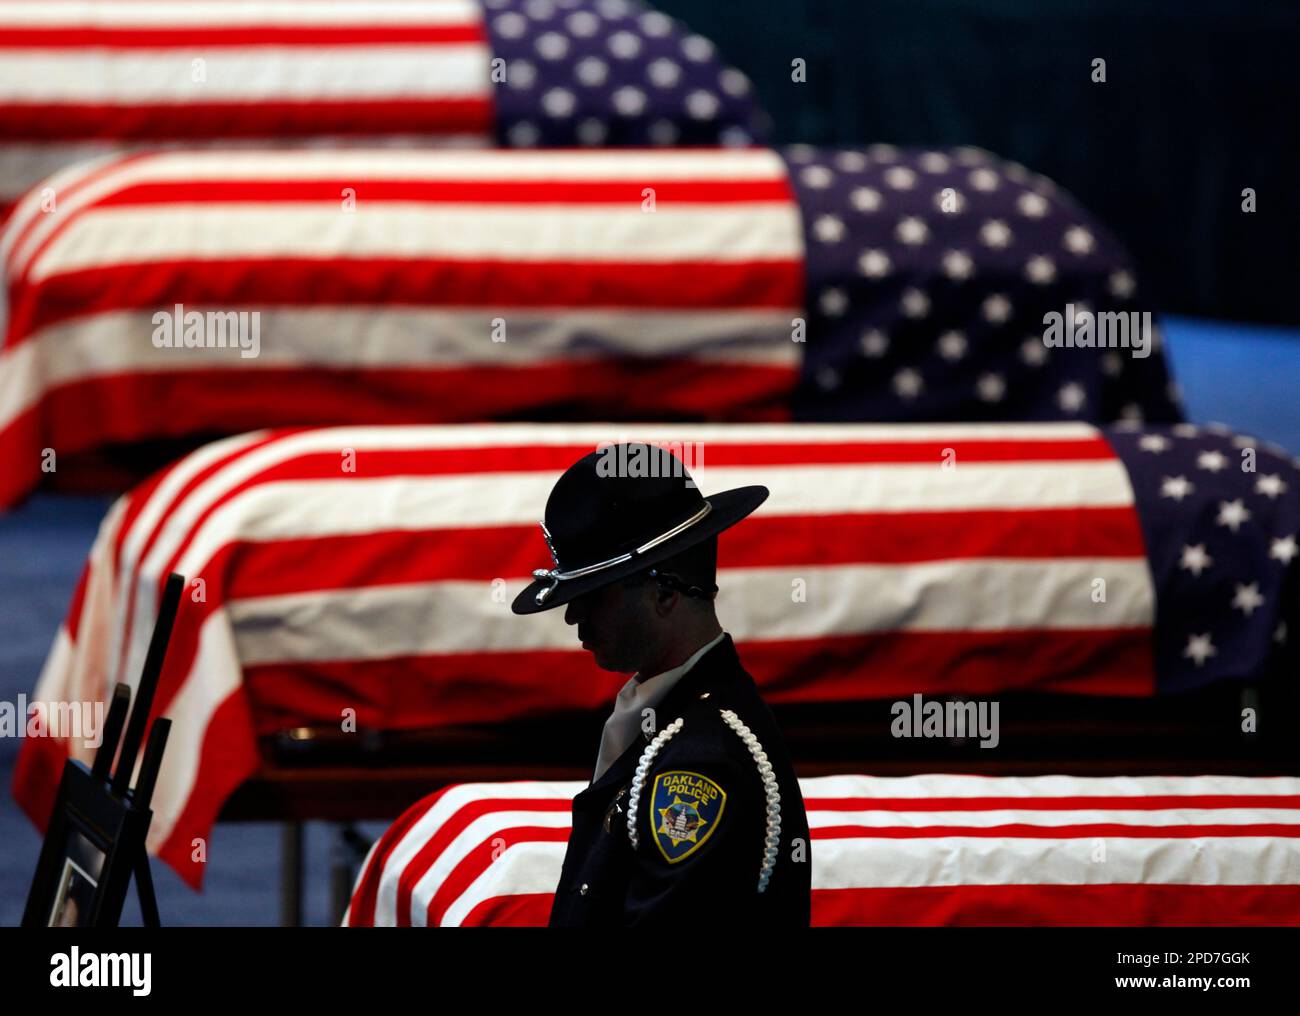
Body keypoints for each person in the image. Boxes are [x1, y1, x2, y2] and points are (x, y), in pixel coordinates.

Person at [512, 442, 811, 927]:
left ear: (665, 593)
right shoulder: (673, 723)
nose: (572, 615)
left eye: (593, 594)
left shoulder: (701, 764)